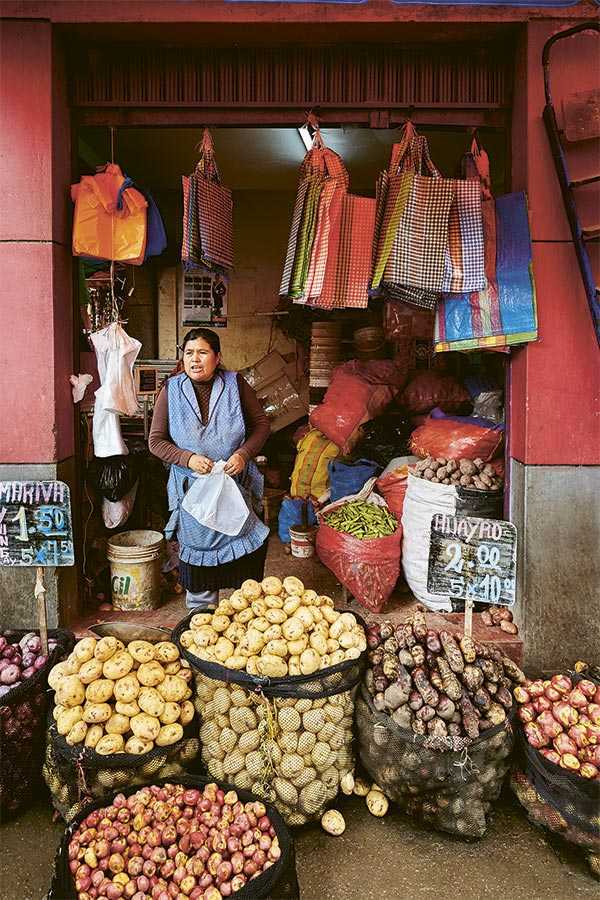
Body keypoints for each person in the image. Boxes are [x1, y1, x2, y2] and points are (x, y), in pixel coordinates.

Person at [149, 328, 271, 609]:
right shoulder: (171, 390)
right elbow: (155, 441)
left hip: (235, 486)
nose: (195, 359)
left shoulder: (236, 384)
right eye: (189, 353)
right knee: (199, 570)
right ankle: (200, 621)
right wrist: (187, 458)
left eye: (202, 352)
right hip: (193, 494)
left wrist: (243, 454)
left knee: (246, 570)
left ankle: (247, 620)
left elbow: (261, 425)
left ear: (217, 357)